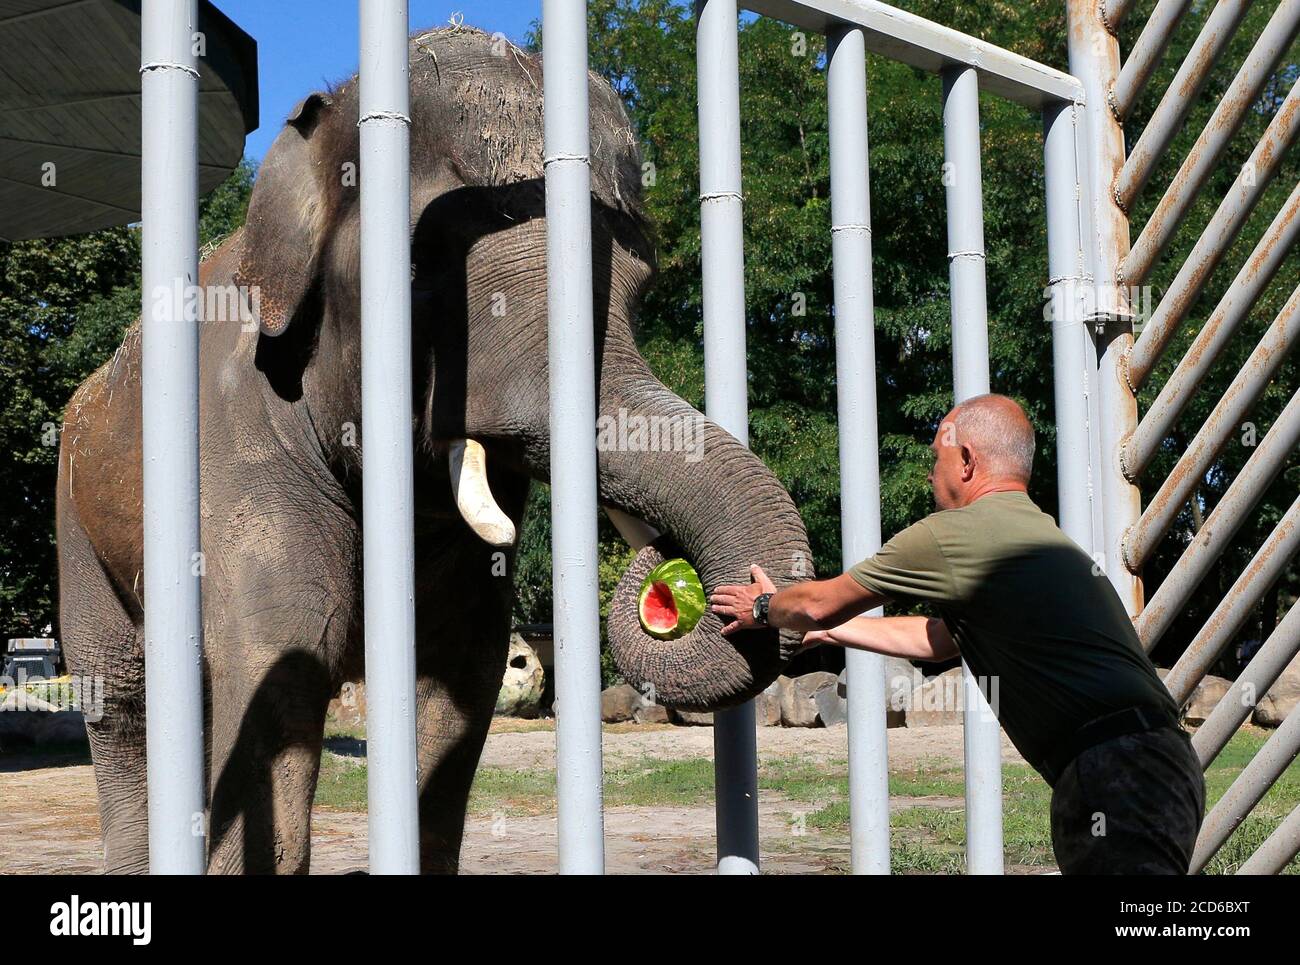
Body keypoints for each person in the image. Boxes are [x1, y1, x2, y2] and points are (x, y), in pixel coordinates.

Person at [709, 393, 1205, 874]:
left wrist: (761, 606)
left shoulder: (952, 535)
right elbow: (942, 639)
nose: (930, 473)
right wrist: (834, 635)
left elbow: (818, 603)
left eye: (937, 457)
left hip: (1116, 770)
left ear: (966, 460)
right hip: (1158, 762)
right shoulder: (1037, 535)